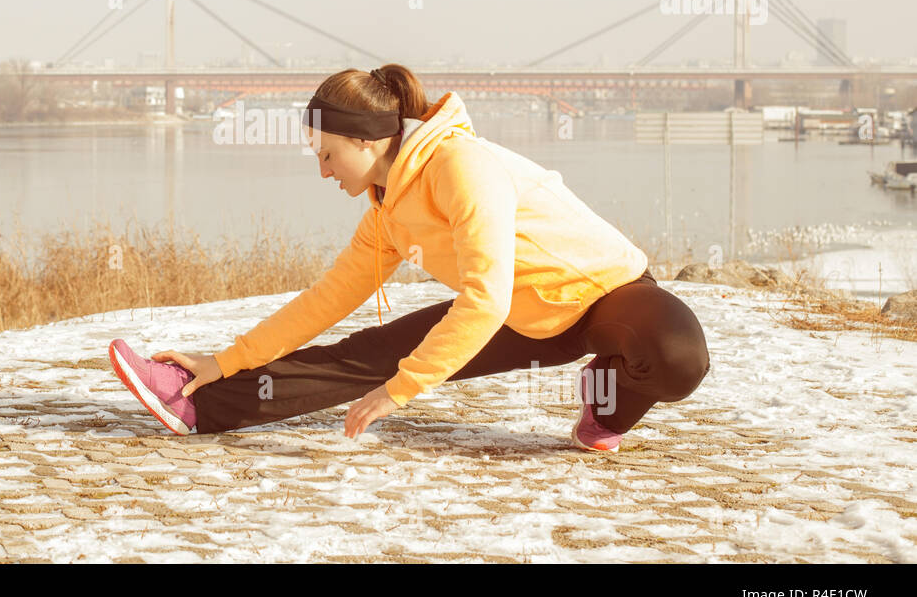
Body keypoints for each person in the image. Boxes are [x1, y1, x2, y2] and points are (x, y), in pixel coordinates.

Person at [108, 64, 710, 452]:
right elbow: (327, 301)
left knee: (677, 357)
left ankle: (605, 395)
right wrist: (223, 360)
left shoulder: (461, 167)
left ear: (367, 142)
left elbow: (484, 297)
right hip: (518, 315)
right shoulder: (386, 212)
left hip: (608, 295)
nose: (322, 171)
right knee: (358, 360)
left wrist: (403, 390)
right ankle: (193, 404)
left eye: (327, 154)